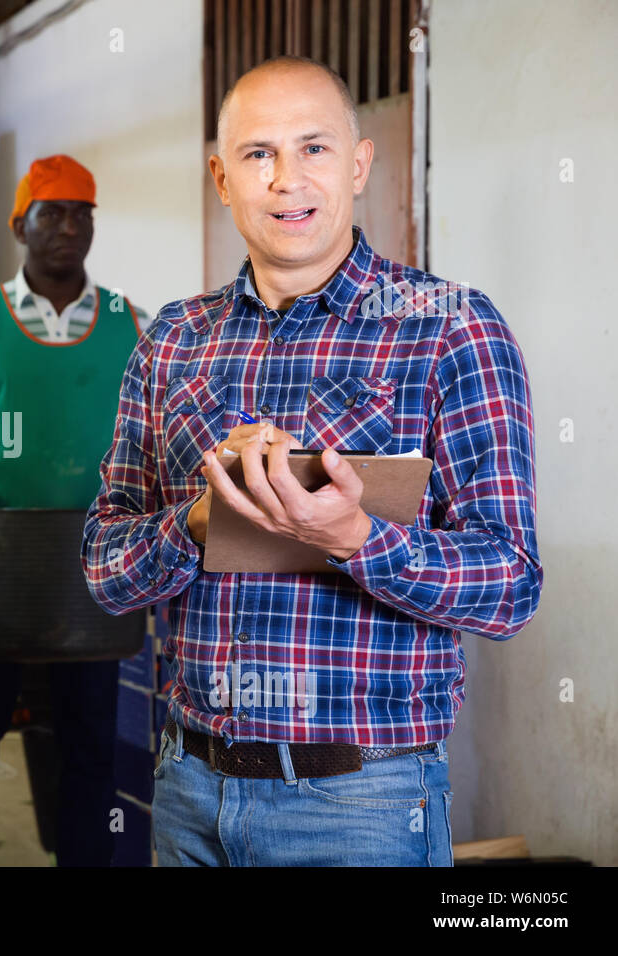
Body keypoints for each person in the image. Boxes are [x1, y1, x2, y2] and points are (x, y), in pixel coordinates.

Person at [82, 56, 542, 866]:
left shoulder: (449, 329)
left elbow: (510, 584)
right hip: (190, 788)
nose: (286, 179)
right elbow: (106, 572)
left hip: (363, 806)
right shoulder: (171, 343)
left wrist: (358, 536)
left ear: (360, 165)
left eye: (314, 149)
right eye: (258, 154)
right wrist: (195, 520)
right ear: (222, 179)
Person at [0, 154, 151, 867]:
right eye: (53, 213)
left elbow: (154, 430)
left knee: (89, 758)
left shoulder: (130, 322)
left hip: (91, 578)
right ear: (22, 224)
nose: (69, 228)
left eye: (83, 214)